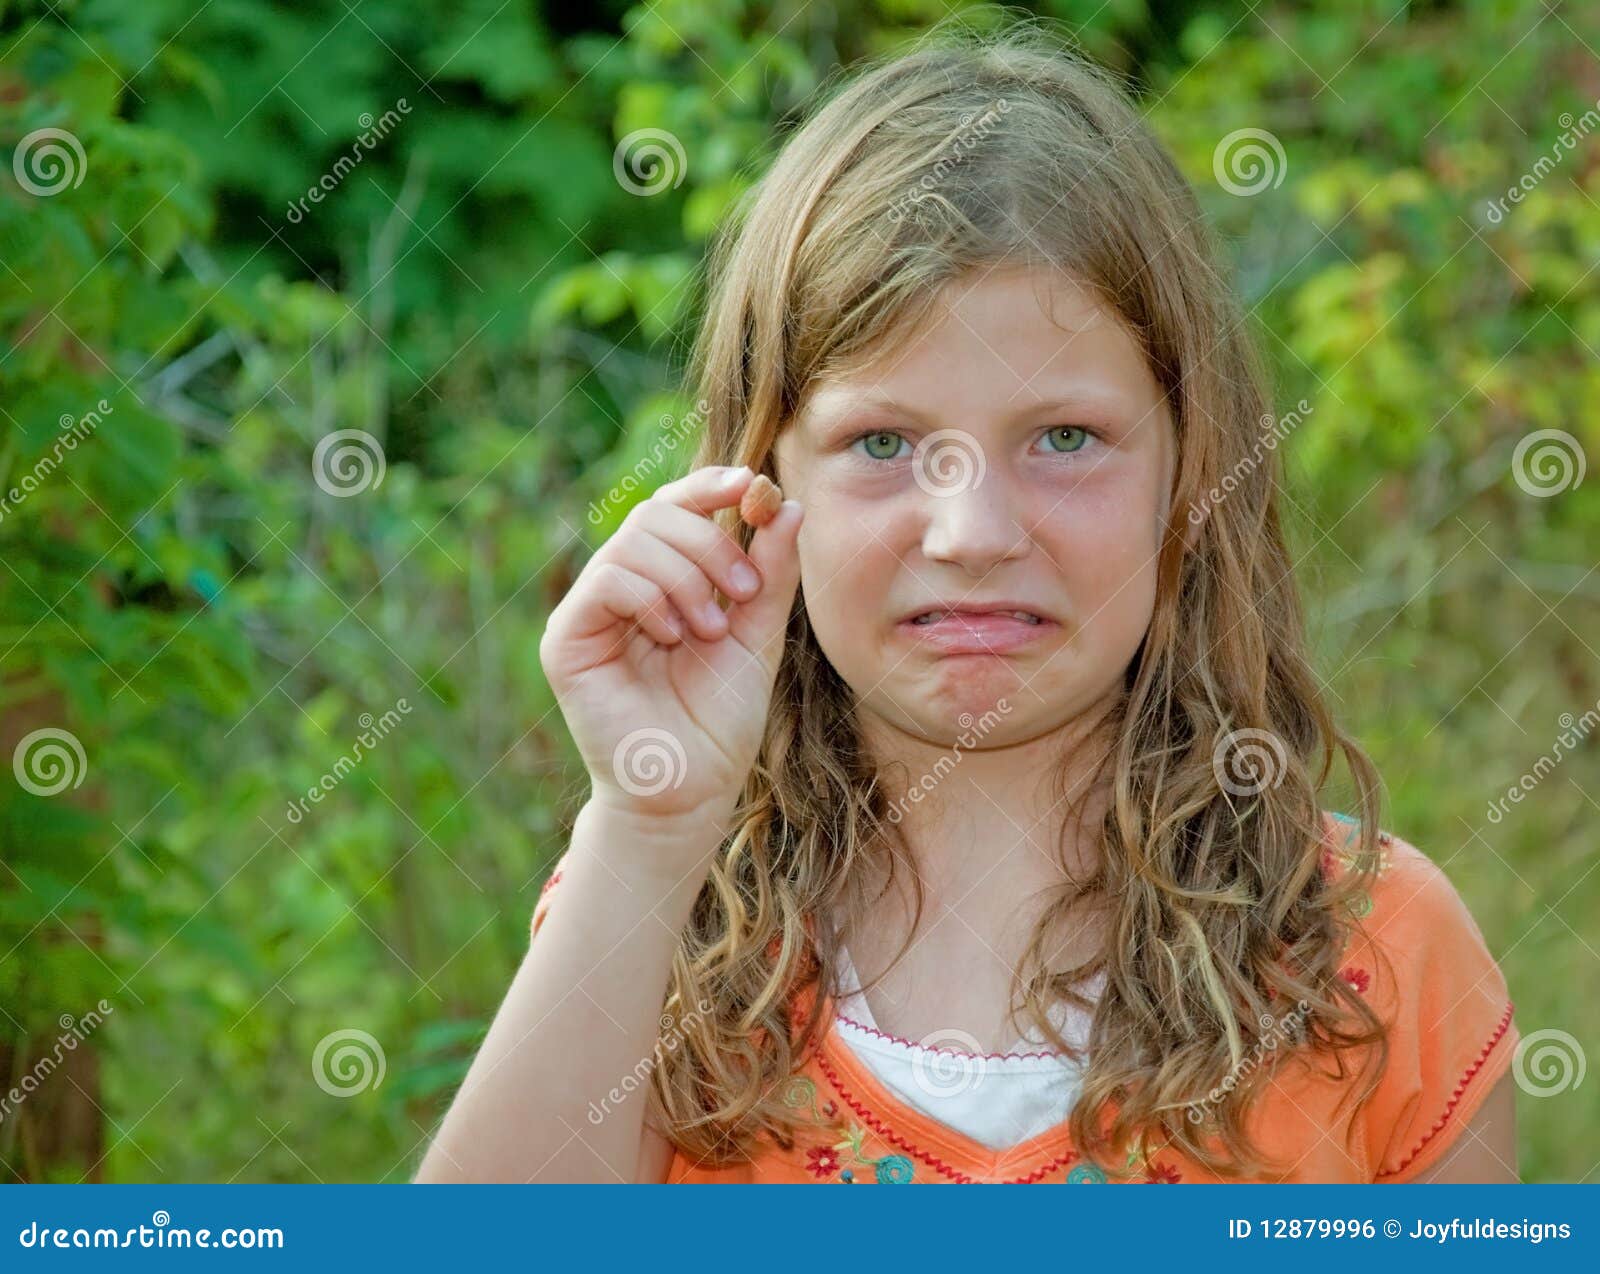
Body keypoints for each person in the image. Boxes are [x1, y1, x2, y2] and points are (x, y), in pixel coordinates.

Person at [414, 22, 1519, 1185]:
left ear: (1189, 472)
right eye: (883, 441)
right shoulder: (651, 939)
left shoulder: (1370, 957)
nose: (975, 533)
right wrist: (643, 833)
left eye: (1064, 438)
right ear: (759, 477)